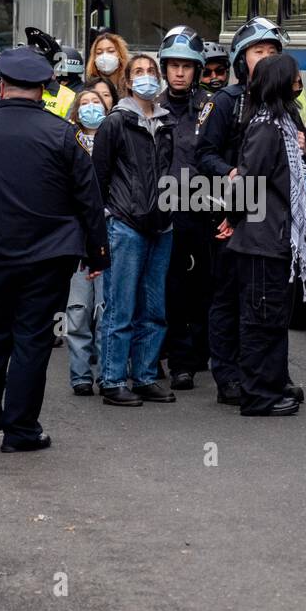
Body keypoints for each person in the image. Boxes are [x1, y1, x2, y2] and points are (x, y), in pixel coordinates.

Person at [0, 48, 109, 452]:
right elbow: (88, 198)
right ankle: (20, 430)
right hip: (47, 257)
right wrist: (97, 251)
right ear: (43, 88)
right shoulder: (62, 135)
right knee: (32, 341)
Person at [218, 53, 306, 417]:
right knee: (259, 319)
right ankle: (258, 396)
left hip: (277, 238)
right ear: (280, 82)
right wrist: (232, 217)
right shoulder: (265, 126)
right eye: (294, 77)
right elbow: (248, 180)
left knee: (273, 318)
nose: (299, 82)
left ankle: (272, 387)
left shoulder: (283, 123)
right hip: (261, 240)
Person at [92, 53, 176, 406]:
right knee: (120, 307)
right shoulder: (116, 122)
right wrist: (107, 215)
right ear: (127, 81)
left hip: (162, 226)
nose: (146, 77)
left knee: (154, 309)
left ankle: (144, 376)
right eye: (138, 72)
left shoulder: (166, 122)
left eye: (151, 72)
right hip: (125, 225)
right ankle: (112, 380)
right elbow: (98, 175)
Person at [157, 26, 214, 391]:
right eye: (174, 65)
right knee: (169, 287)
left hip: (203, 209)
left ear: (197, 70)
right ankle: (179, 361)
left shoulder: (212, 107)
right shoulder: (151, 106)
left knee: (204, 287)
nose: (180, 72)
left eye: (187, 66)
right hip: (162, 211)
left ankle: (201, 352)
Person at [64, 88, 110, 395]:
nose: (91, 107)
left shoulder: (117, 138)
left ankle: (108, 371)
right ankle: (80, 374)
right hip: (78, 236)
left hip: (111, 231)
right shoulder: (67, 142)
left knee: (107, 308)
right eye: (85, 103)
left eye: (98, 102)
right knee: (79, 308)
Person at [85, 32, 130, 99]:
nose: (104, 56)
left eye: (111, 51)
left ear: (120, 55)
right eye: (99, 52)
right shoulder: (88, 89)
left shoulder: (130, 87)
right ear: (94, 58)